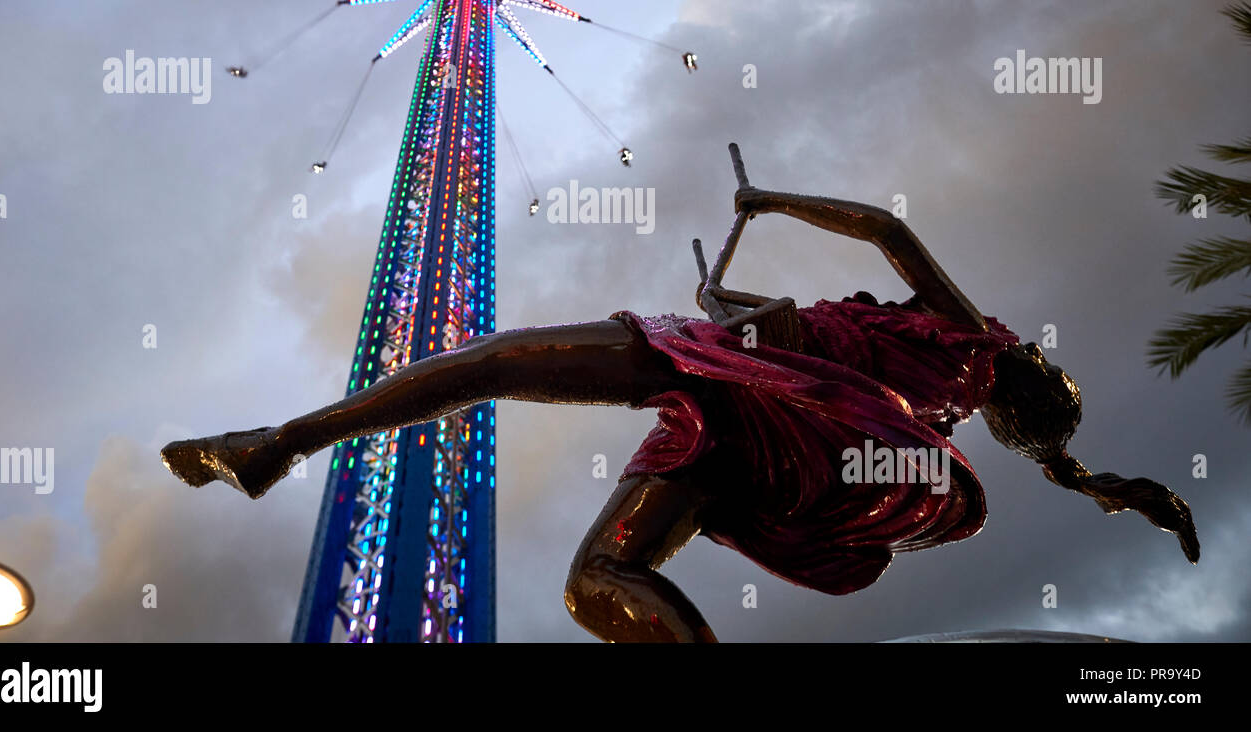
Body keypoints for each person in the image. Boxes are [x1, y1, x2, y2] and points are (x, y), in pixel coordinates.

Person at [162, 144, 1199, 642]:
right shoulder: (938, 380)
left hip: (759, 392)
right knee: (596, 580)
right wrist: (723, 296)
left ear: (1020, 368)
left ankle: (282, 441)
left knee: (499, 362)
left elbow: (884, 230)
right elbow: (787, 326)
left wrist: (768, 198)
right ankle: (276, 443)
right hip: (766, 421)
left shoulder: (968, 338)